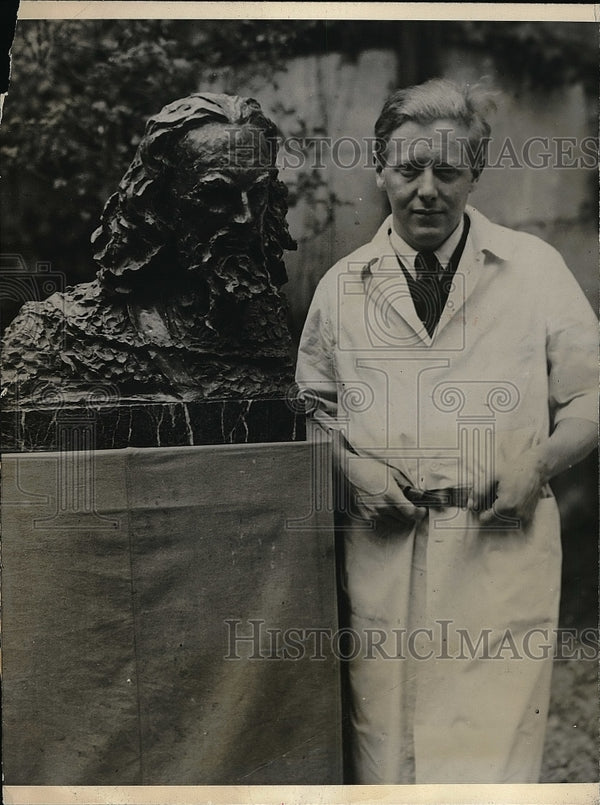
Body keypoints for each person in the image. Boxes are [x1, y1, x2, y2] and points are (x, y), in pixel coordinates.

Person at [295, 78, 597, 784]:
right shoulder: (344, 285)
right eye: (408, 169)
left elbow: (590, 391)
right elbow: (311, 408)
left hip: (501, 547)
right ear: (379, 169)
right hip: (386, 552)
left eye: (448, 170)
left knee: (492, 758)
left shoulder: (534, 270)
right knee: (388, 753)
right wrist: (352, 471)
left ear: (474, 174)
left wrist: (540, 463)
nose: (427, 189)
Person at [2, 93, 296, 405]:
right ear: (159, 202)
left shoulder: (270, 325)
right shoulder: (55, 332)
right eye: (215, 195)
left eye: (258, 192)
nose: (245, 217)